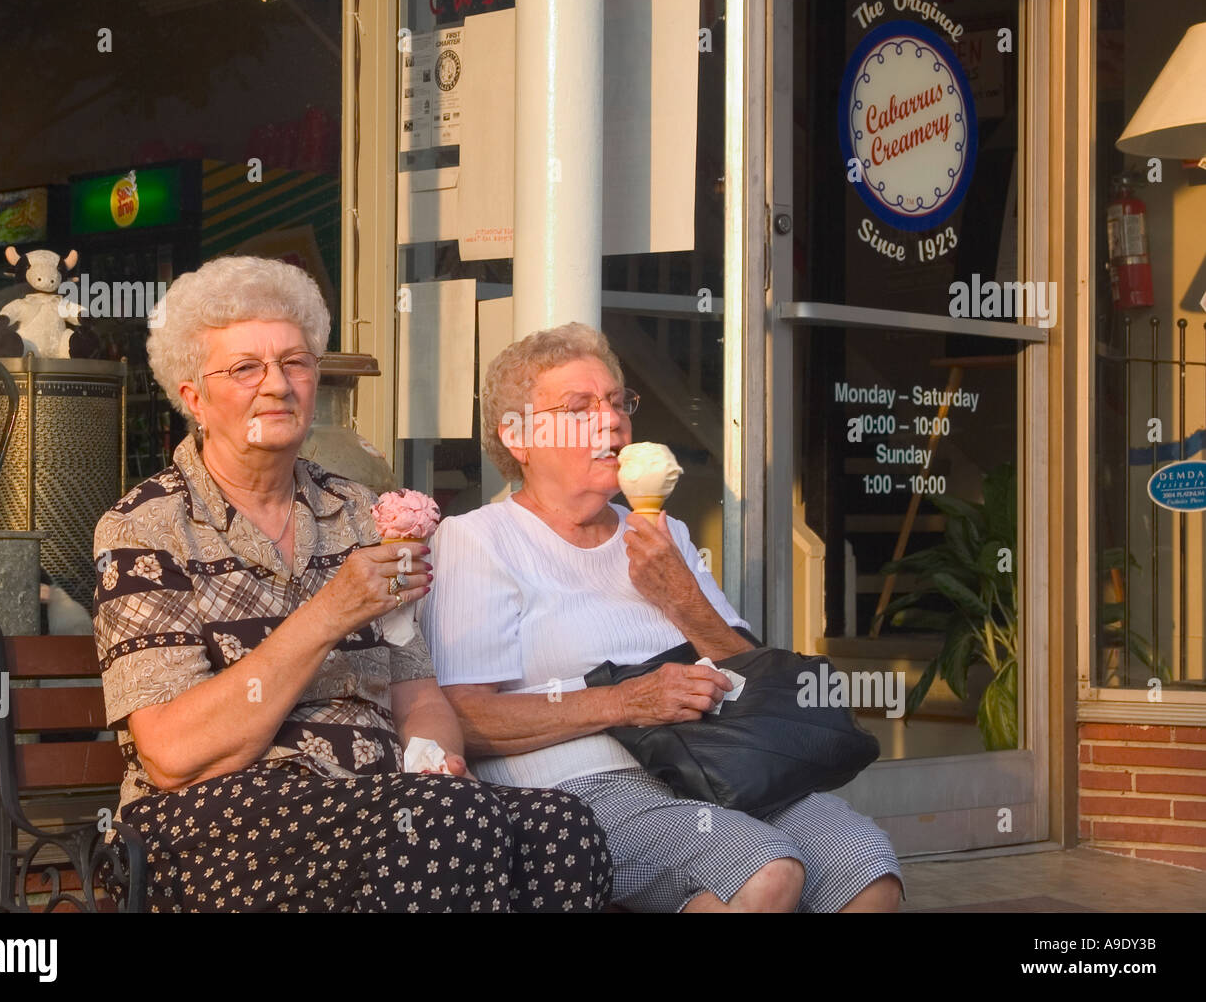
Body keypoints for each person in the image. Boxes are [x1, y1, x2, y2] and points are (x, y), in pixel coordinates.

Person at [92, 257, 612, 912]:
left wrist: (432, 757)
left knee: (563, 832)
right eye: (246, 368)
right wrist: (330, 611)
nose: (277, 385)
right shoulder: (147, 527)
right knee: (438, 827)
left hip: (375, 804)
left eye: (296, 363)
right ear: (193, 396)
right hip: (205, 827)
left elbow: (419, 696)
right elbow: (172, 754)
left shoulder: (360, 513)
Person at [422, 322, 904, 913]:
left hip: (718, 763)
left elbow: (751, 672)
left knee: (864, 868)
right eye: (580, 407)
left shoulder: (661, 531)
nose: (613, 420)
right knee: (762, 872)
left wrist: (683, 599)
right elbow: (465, 717)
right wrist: (625, 702)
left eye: (618, 402)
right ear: (518, 437)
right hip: (581, 782)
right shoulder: (478, 539)